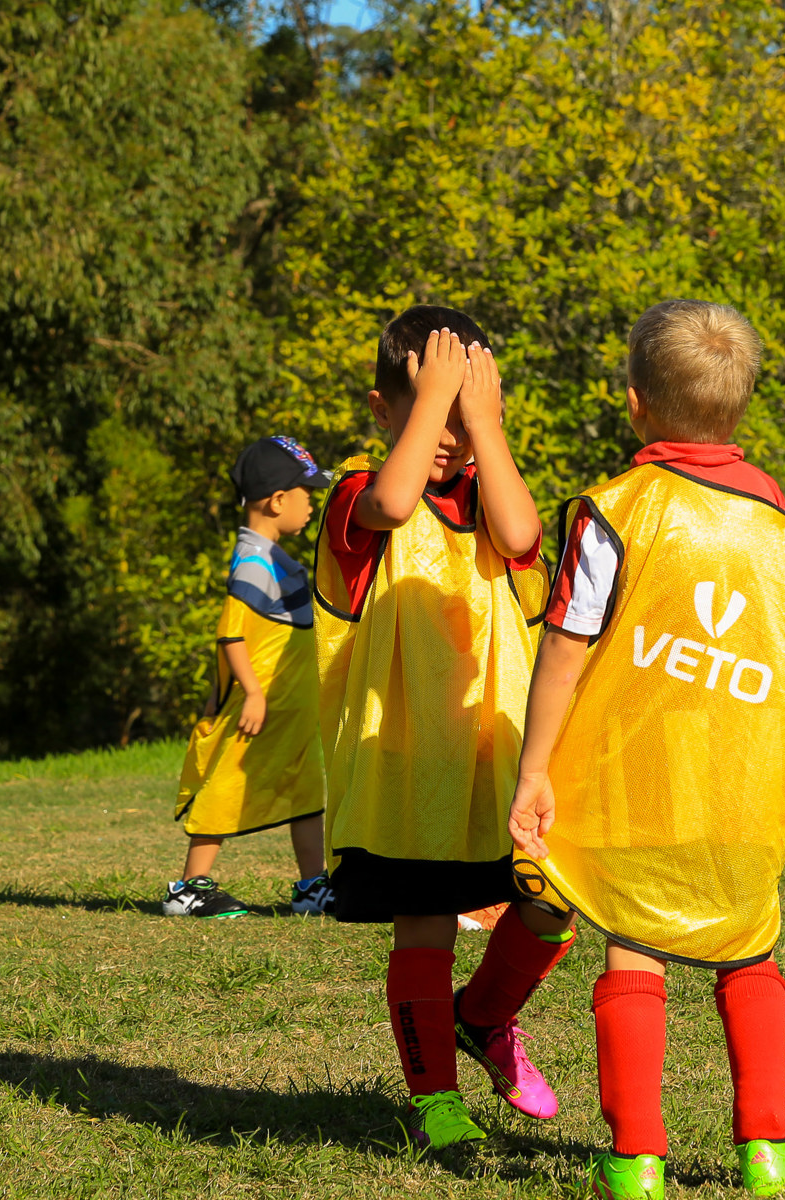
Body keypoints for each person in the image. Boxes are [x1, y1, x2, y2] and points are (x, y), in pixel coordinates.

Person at [508, 300, 785, 1198]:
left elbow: (565, 651)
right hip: (742, 788)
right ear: (740, 408)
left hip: (631, 784)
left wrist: (534, 770)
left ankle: (637, 1163)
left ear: (634, 404)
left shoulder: (616, 512)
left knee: (631, 945)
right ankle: (767, 1153)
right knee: (749, 947)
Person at [314, 306, 578, 1150]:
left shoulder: (483, 480)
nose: (449, 439)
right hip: (397, 766)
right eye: (430, 414)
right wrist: (433, 399)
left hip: (497, 752)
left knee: (551, 903)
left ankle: (487, 1015)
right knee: (424, 928)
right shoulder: (357, 492)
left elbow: (523, 533)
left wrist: (483, 424)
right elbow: (393, 501)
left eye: (462, 420)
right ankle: (437, 1101)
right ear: (383, 408)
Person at [165, 437, 337, 919]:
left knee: (306, 792)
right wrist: (254, 693)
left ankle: (311, 886)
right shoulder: (254, 561)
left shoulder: (275, 556)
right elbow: (231, 634)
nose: (310, 504)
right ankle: (189, 888)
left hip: (292, 710)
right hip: (261, 711)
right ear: (277, 500)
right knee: (225, 785)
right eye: (307, 493)